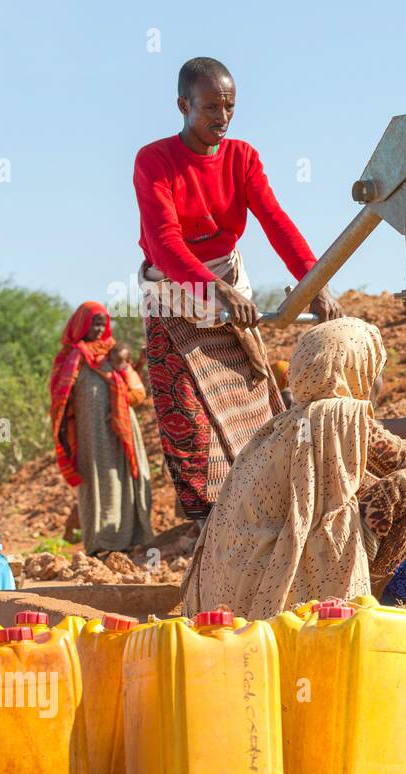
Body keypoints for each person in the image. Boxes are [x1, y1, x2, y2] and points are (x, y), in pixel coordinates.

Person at [181, 317, 406, 619]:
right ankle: (375, 609)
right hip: (275, 592)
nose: (378, 380)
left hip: (229, 595)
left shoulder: (292, 423)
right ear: (355, 369)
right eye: (376, 369)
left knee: (368, 484)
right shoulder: (337, 417)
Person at [134, 56, 343, 525]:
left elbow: (276, 222)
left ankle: (261, 517)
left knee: (253, 406)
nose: (222, 118)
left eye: (229, 106)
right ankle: (209, 529)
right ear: (183, 105)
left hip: (227, 284)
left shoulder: (242, 157)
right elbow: (165, 244)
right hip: (175, 291)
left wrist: (315, 283)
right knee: (190, 419)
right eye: (210, 107)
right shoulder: (155, 160)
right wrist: (216, 292)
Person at [49, 302, 154, 555]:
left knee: (125, 477)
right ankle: (100, 543)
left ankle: (131, 538)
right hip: (89, 432)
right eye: (93, 324)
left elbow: (136, 390)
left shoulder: (115, 353)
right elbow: (60, 398)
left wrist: (129, 383)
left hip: (121, 429)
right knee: (96, 480)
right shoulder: (71, 357)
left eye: (101, 323)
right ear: (80, 325)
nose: (98, 329)